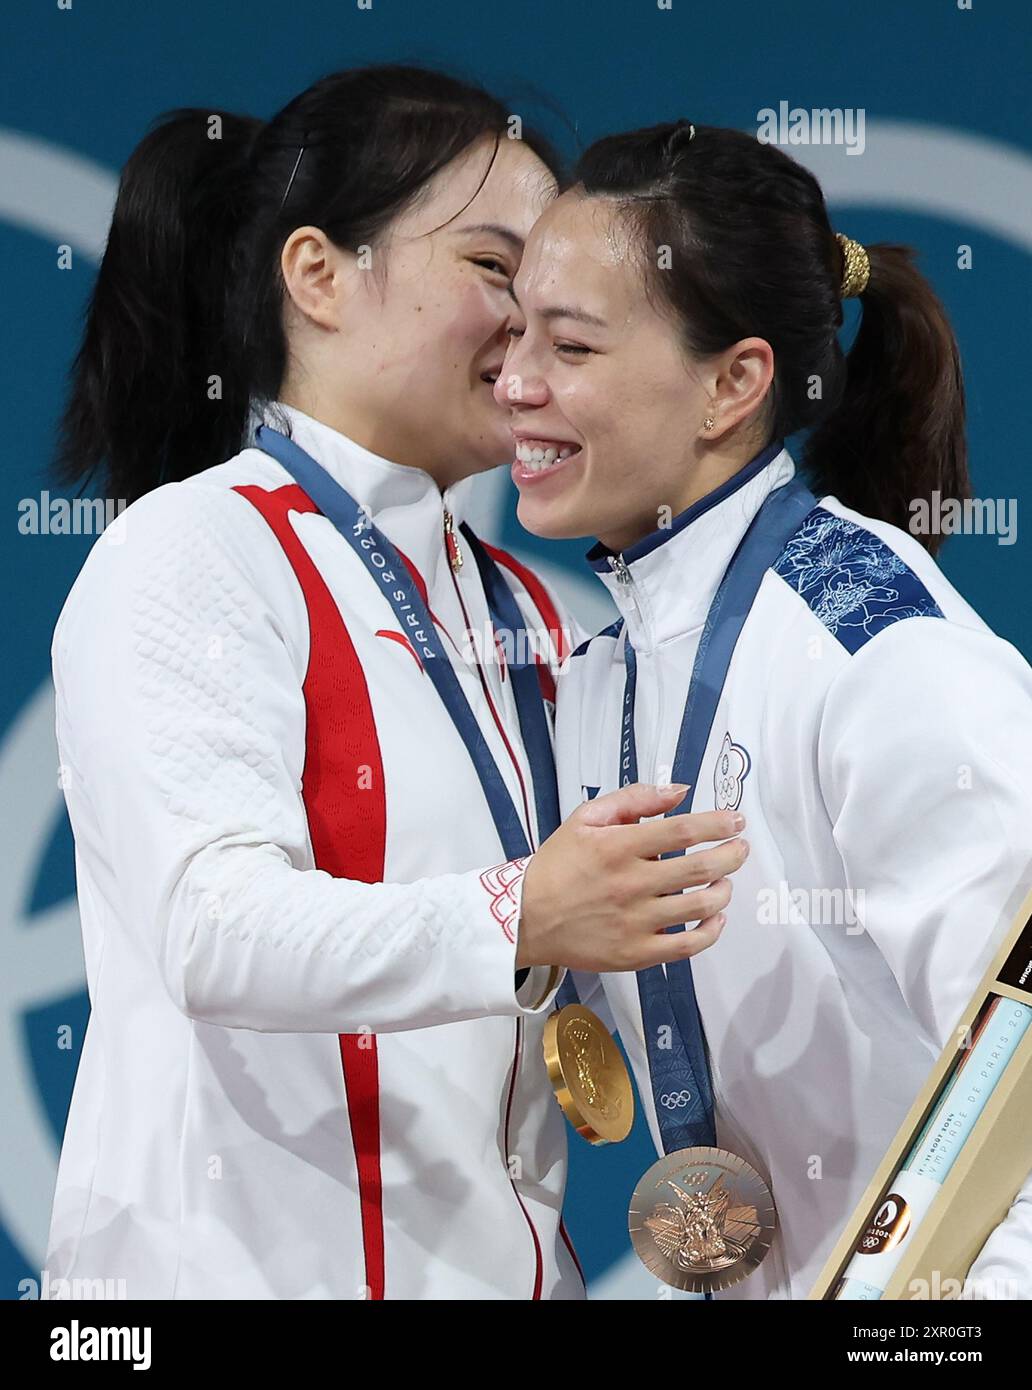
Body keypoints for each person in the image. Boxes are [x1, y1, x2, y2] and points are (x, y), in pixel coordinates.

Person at [45, 75, 746, 1301]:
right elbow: (214, 927)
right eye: (493, 267)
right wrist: (519, 913)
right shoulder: (192, 551)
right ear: (318, 276)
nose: (530, 332)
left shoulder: (527, 611)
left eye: (549, 298)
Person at [497, 119, 1032, 1299]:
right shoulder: (604, 672)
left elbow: (1025, 1058)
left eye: (571, 343)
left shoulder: (875, 646)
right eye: (516, 328)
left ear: (734, 384)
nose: (515, 380)